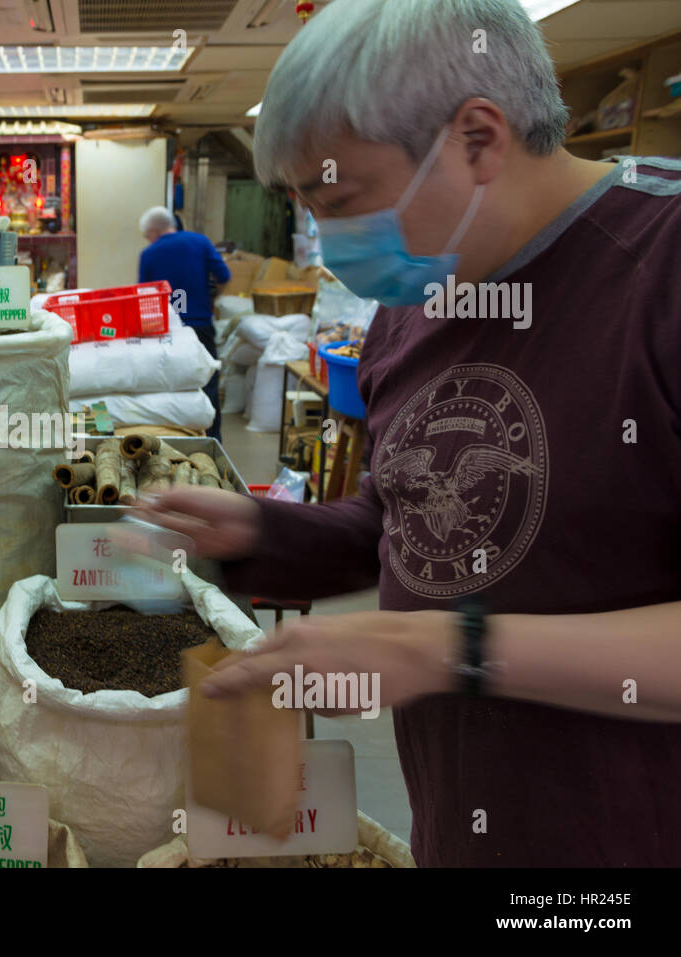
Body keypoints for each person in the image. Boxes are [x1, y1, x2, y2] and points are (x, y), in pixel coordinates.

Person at [137, 0, 681, 867]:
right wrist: (259, 530)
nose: (329, 241)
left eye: (340, 199)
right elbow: (409, 526)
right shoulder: (416, 301)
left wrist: (453, 647)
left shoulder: (661, 270)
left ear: (476, 138)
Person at [138, 206, 230, 439]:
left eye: (147, 236)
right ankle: (212, 441)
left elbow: (144, 297)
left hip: (167, 331)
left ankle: (177, 439)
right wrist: (211, 297)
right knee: (207, 384)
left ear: (153, 231)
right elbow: (224, 276)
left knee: (170, 389)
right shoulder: (200, 242)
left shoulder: (149, 254)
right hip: (200, 326)